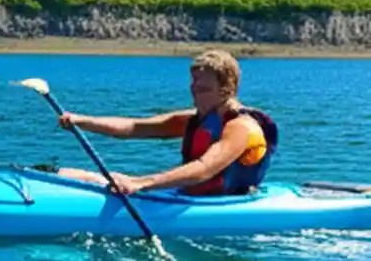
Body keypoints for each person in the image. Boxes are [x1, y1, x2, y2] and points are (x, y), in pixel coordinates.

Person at [53, 49, 278, 196]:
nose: (194, 92)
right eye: (193, 85)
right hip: (187, 195)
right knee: (74, 176)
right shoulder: (196, 119)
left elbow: (203, 169)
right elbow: (136, 128)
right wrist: (82, 121)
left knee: (122, 181)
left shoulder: (241, 128)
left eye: (203, 89)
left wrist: (140, 183)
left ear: (226, 90)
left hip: (223, 204)